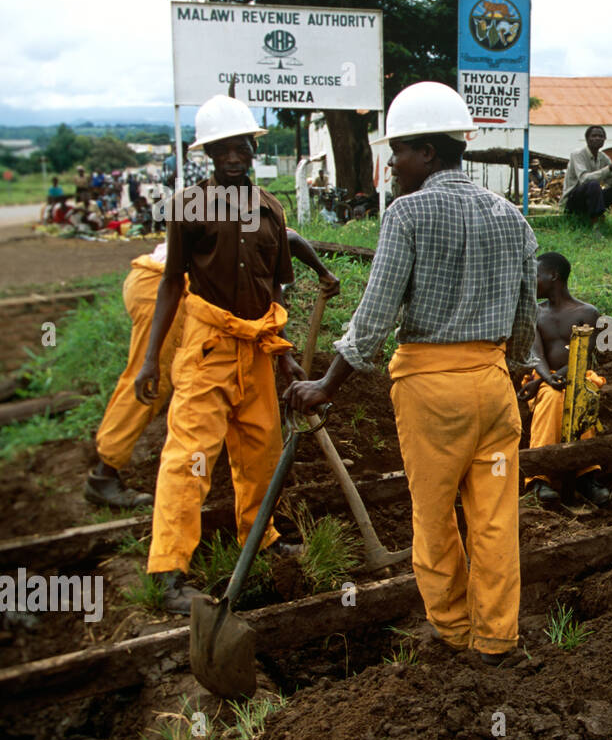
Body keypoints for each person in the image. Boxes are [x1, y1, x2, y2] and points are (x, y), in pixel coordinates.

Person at [286, 81, 538, 666]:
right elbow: (527, 315)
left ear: (427, 152)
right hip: (494, 385)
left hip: (433, 391)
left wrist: (328, 384)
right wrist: (516, 372)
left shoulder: (408, 213)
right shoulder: (512, 217)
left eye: (397, 150)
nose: (391, 162)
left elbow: (374, 317)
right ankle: (497, 639)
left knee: (433, 514)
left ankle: (451, 629)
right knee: (496, 521)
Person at [133, 94, 305, 615]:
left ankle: (262, 533)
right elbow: (169, 285)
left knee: (261, 452)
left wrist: (283, 356)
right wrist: (148, 359)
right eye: (221, 150)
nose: (232, 158)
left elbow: (277, 292)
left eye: (240, 148)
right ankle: (168, 570)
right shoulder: (189, 207)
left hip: (255, 349)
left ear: (254, 148)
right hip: (206, 350)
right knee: (190, 457)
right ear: (208, 154)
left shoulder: (272, 210)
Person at [87, 231, 339, 509]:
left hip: (174, 285)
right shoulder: (260, 233)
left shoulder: (251, 235)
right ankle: (104, 473)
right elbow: (288, 245)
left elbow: (265, 300)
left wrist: (283, 355)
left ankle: (221, 462)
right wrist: (324, 273)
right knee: (152, 379)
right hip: (161, 285)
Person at [518, 252, 610, 506]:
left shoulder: (587, 312)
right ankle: (538, 478)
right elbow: (536, 353)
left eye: (535, 276)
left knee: (580, 393)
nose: (531, 282)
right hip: (545, 376)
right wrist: (545, 379)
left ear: (553, 276)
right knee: (551, 396)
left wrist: (552, 379)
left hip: (577, 373)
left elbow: (583, 354)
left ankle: (586, 474)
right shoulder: (535, 313)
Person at [562, 125, 612, 225]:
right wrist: (609, 168)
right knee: (593, 184)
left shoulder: (604, 158)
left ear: (604, 140)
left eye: (601, 136)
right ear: (587, 139)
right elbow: (584, 180)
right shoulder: (578, 154)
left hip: (593, 197)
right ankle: (596, 226)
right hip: (574, 200)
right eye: (594, 136)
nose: (597, 138)